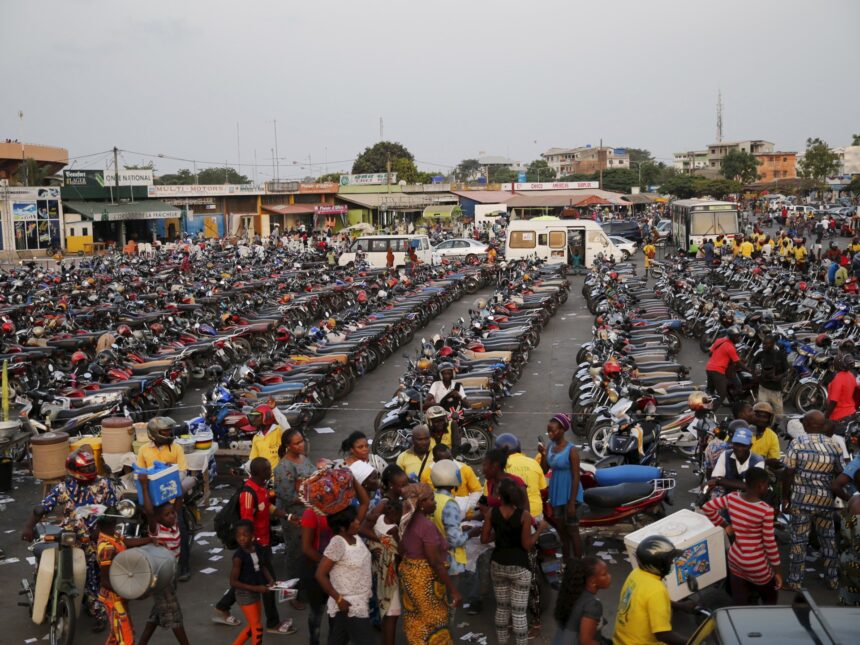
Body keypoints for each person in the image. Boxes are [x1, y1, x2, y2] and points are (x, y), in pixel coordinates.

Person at [21, 446, 117, 631]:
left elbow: (113, 511)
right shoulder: (63, 488)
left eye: (91, 467)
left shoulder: (105, 484)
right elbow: (43, 507)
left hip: (98, 539)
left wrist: (103, 529)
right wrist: (28, 527)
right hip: (70, 539)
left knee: (95, 576)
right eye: (86, 468)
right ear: (74, 470)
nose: (90, 471)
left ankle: (98, 611)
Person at [214, 457, 295, 634]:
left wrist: (287, 516)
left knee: (248, 578)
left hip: (263, 543)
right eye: (267, 470)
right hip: (257, 546)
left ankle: (222, 607)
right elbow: (246, 524)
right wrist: (252, 549)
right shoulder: (248, 494)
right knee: (268, 583)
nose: (270, 472)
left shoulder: (262, 488)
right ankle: (273, 623)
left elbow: (268, 508)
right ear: (259, 473)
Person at [481, 478, 547, 645]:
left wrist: (500, 533)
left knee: (502, 608)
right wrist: (539, 529)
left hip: (498, 564)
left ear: (500, 496)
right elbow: (527, 544)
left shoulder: (491, 513)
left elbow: (484, 538)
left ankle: (502, 642)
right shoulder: (524, 515)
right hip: (519, 566)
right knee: (519, 613)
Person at [702, 468, 782, 605]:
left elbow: (707, 507)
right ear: (761, 486)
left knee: (739, 601)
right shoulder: (765, 510)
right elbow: (770, 544)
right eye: (767, 485)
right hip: (756, 565)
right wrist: (777, 572)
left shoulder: (733, 497)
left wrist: (725, 524)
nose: (767, 487)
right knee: (770, 600)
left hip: (735, 559)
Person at [783, 409, 842, 590]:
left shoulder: (797, 442)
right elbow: (840, 473)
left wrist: (786, 497)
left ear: (806, 425)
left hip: (801, 501)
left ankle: (795, 581)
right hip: (825, 502)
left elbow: (788, 472)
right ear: (822, 425)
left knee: (799, 541)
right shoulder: (834, 445)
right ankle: (832, 579)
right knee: (828, 540)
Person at [398, 483, 461, 644]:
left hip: (410, 578)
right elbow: (435, 563)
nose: (435, 503)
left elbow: (402, 549)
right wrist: (453, 590)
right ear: (421, 503)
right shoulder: (426, 526)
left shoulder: (406, 521)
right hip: (425, 582)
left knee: (416, 619)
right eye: (432, 500)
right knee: (435, 621)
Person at [136, 416, 193, 581]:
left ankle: (184, 567)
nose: (169, 433)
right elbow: (140, 472)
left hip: (172, 499)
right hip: (154, 501)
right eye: (165, 431)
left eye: (169, 430)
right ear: (155, 433)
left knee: (179, 529)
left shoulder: (176, 448)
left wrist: (168, 475)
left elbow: (183, 471)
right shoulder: (144, 450)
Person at [136, 473, 190, 645]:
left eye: (172, 513)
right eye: (167, 515)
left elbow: (179, 501)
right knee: (174, 615)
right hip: (160, 578)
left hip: (170, 575)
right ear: (158, 519)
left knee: (158, 613)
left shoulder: (174, 525)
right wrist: (144, 486)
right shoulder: (156, 529)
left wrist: (174, 482)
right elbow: (150, 511)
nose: (172, 516)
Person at [315, 506, 375, 645]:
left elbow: (365, 501)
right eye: (353, 520)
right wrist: (339, 599)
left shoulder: (355, 537)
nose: (357, 522)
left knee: (337, 640)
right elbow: (320, 574)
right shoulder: (338, 543)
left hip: (360, 600)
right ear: (342, 527)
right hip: (350, 605)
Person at [613, 536, 688, 645]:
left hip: (621, 640)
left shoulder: (636, 574)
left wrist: (680, 606)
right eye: (670, 560)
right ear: (660, 564)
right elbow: (663, 634)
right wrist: (692, 642)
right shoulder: (657, 589)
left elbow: (646, 602)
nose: (673, 563)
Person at [96, 509, 152, 645]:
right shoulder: (106, 548)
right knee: (126, 637)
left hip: (118, 595)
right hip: (114, 599)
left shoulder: (111, 535)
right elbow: (104, 581)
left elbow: (126, 542)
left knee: (117, 634)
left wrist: (150, 540)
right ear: (114, 521)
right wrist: (131, 593)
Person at [274, 429, 315, 606]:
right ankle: (290, 596)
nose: (301, 445)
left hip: (308, 513)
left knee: (307, 552)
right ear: (288, 446)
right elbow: (287, 496)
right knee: (294, 554)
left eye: (301, 441)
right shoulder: (283, 467)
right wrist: (306, 494)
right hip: (294, 518)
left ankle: (306, 589)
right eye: (297, 443)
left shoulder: (303, 458)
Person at [538, 414, 583, 559]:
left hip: (570, 493)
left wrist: (571, 502)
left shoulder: (571, 450)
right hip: (556, 492)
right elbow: (544, 470)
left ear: (562, 430)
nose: (550, 434)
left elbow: (576, 476)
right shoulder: (550, 446)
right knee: (561, 531)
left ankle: (578, 564)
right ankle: (566, 562)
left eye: (553, 431)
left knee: (573, 531)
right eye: (548, 431)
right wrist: (543, 454)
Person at [229, 520, 274, 645]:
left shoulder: (258, 548)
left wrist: (270, 579)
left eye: (245, 535)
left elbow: (262, 566)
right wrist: (256, 588)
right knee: (257, 627)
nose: (242, 538)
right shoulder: (238, 557)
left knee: (252, 626)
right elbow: (233, 582)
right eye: (238, 536)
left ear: (252, 535)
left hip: (255, 591)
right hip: (244, 594)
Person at [551, 557, 612, 645]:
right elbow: (586, 641)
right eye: (604, 574)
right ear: (592, 581)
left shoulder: (573, 592)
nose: (609, 576)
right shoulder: (593, 605)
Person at [495, 433, 548, 519]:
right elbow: (542, 488)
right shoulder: (533, 463)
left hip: (510, 515)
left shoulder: (497, 467)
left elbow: (490, 495)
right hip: (535, 512)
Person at [708, 425, 765, 498]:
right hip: (727, 497)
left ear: (750, 446)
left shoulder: (758, 461)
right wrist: (744, 485)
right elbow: (714, 478)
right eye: (736, 445)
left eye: (743, 445)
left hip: (748, 500)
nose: (739, 449)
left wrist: (720, 481)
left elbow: (754, 488)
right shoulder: (726, 454)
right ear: (732, 444)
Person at [706, 326, 745, 408]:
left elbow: (710, 353)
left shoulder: (719, 340)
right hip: (718, 371)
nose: (739, 338)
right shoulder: (730, 347)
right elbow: (738, 363)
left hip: (709, 368)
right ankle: (709, 411)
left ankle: (705, 405)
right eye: (737, 336)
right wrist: (749, 370)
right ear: (731, 337)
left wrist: (720, 355)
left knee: (710, 391)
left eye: (739, 336)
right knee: (722, 395)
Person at [751, 334, 788, 422]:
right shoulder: (760, 354)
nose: (764, 346)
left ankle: (775, 428)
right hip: (763, 388)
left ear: (773, 344)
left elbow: (787, 371)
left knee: (779, 416)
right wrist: (756, 373)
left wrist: (780, 377)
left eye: (767, 344)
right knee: (761, 411)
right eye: (763, 344)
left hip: (776, 390)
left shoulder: (780, 355)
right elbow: (753, 363)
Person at [248, 403, 284, 470]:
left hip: (280, 476)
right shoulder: (256, 437)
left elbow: (286, 427)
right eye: (253, 417)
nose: (254, 419)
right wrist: (242, 468)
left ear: (267, 416)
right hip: (265, 477)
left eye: (257, 416)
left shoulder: (279, 430)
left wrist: (275, 409)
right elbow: (253, 460)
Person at [749, 402, 782, 466]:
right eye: (758, 416)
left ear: (770, 419)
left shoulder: (772, 436)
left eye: (764, 417)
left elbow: (774, 459)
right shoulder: (743, 429)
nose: (761, 419)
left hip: (760, 468)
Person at [826, 354, 857, 421]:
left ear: (838, 364)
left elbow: (833, 402)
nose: (833, 362)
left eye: (835, 360)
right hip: (851, 413)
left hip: (839, 416)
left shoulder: (838, 379)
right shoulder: (851, 376)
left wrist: (825, 417)